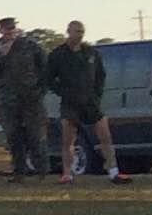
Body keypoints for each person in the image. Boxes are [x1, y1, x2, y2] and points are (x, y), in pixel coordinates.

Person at [0, 15, 47, 180]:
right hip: (7, 98)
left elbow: (44, 68)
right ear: (0, 30)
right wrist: (3, 56)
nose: (9, 32)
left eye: (12, 28)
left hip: (31, 97)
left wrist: (40, 90)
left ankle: (42, 171)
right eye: (6, 29)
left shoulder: (30, 46)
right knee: (13, 136)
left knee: (35, 135)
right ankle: (19, 171)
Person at [47, 21, 119, 181]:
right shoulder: (58, 55)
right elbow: (48, 79)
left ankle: (114, 171)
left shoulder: (91, 53)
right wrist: (64, 92)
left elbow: (101, 76)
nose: (80, 34)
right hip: (70, 103)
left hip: (91, 102)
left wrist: (96, 95)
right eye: (77, 31)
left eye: (82, 32)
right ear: (68, 31)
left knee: (105, 136)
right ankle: (67, 174)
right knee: (68, 139)